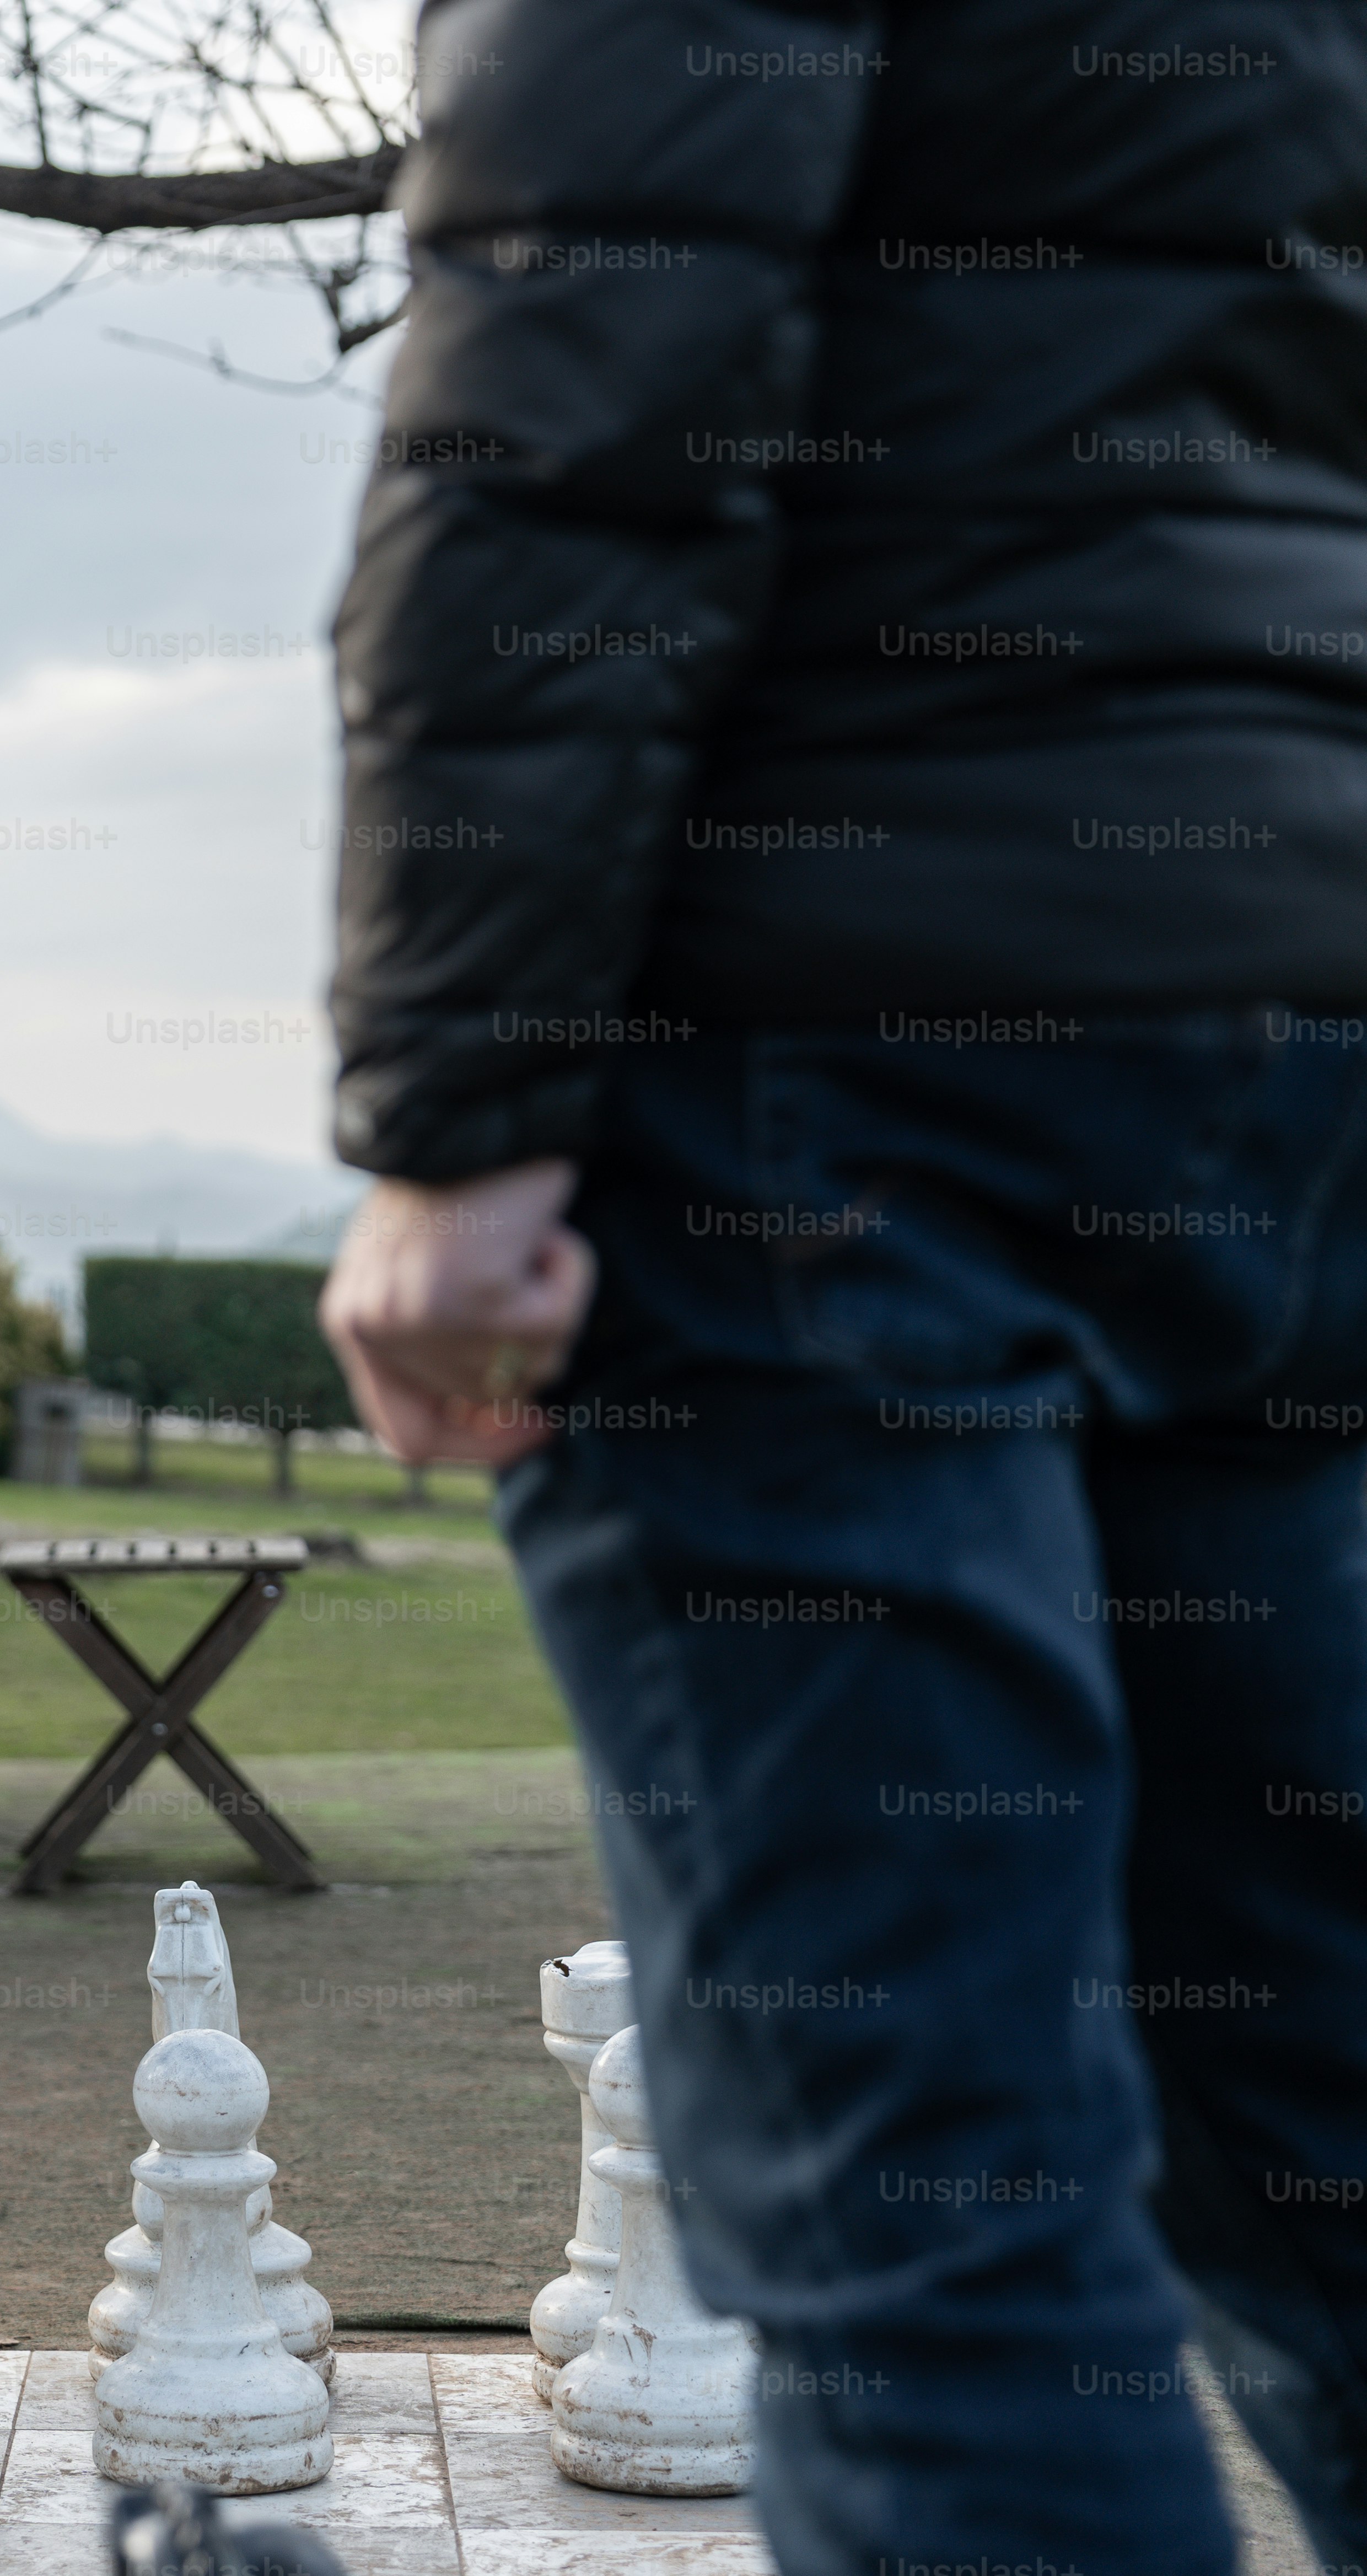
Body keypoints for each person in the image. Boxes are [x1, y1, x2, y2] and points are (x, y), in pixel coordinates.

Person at [311, 6, 1367, 2564]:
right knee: (1330, 2140)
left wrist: (459, 1105)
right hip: (1286, 1044)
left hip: (839, 1071)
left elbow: (592, 299)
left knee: (939, 2223)